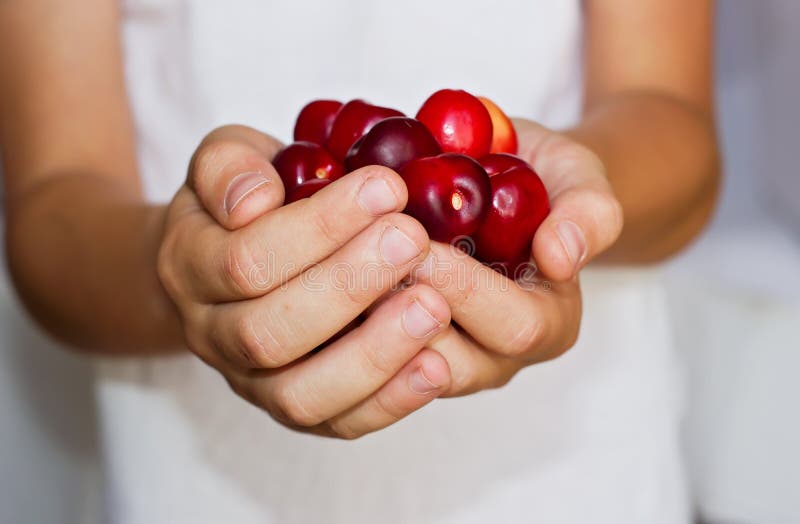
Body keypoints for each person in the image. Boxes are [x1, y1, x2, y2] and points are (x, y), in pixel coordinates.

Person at [0, 0, 719, 522]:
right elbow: (52, 210)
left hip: (577, 476)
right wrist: (184, 274)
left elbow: (672, 120)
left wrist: (562, 211)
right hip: (196, 486)